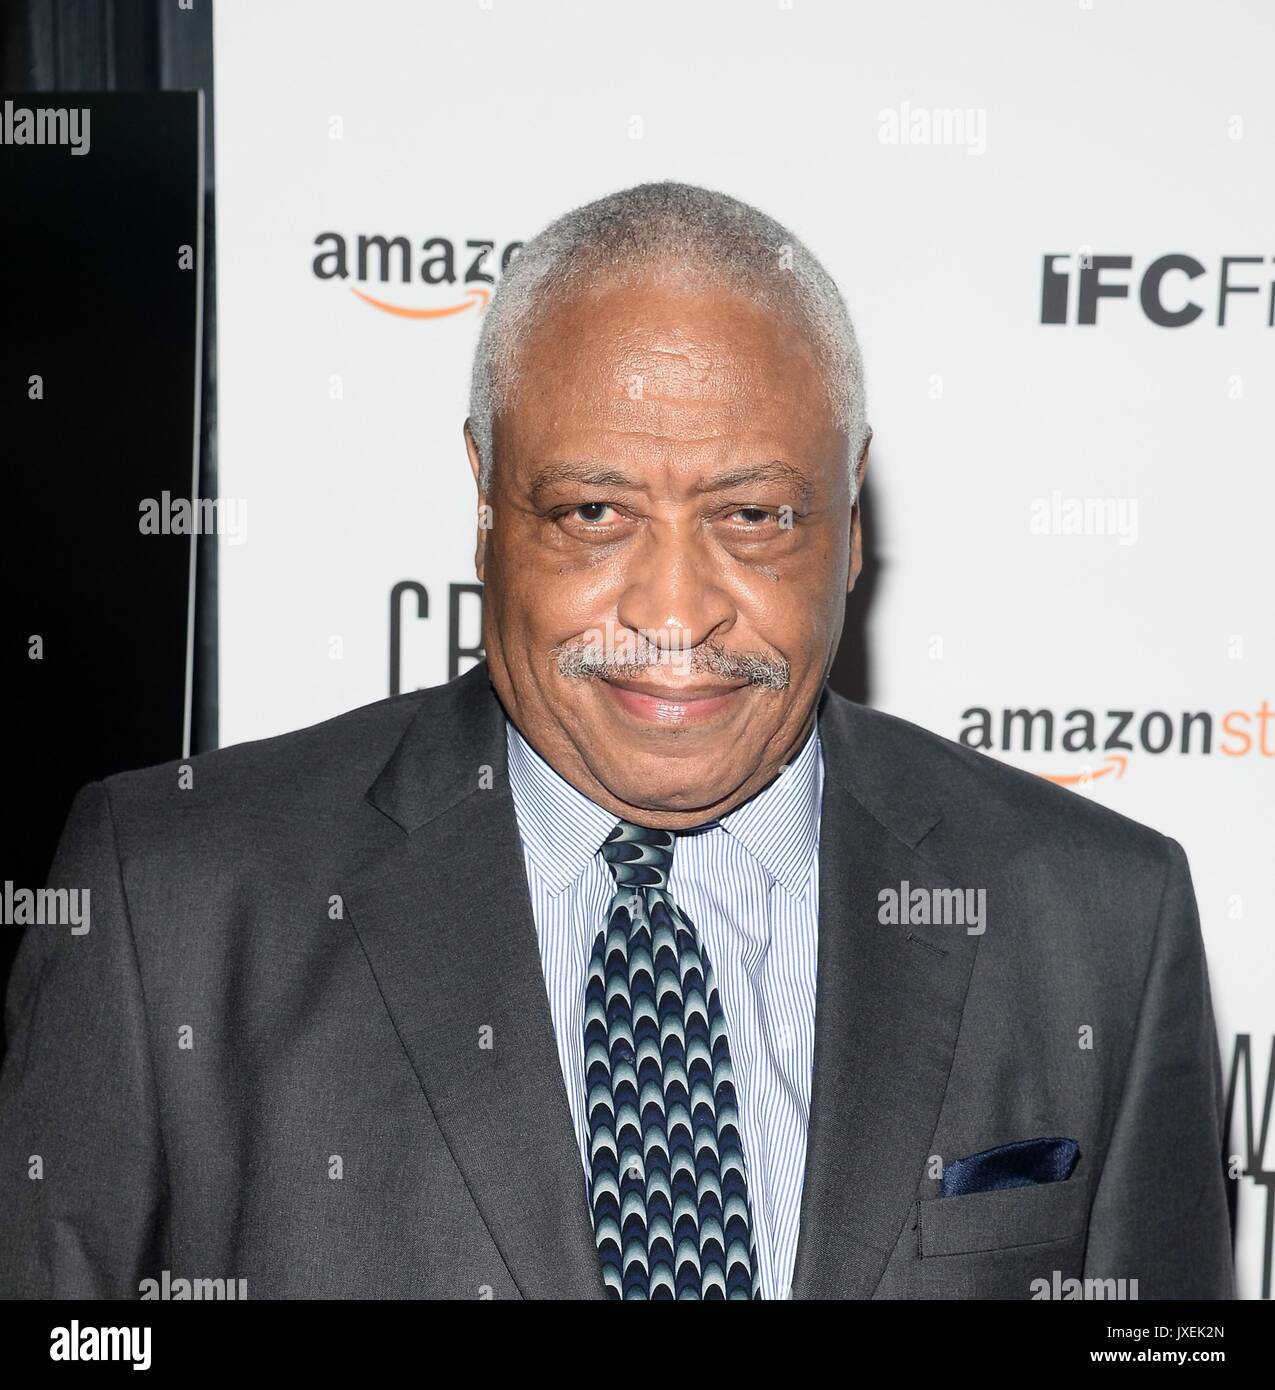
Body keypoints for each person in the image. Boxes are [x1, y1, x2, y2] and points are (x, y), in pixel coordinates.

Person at [0, 181, 1234, 1299]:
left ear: (851, 519)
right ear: (484, 501)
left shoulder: (1095, 920)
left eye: (753, 515)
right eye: (593, 513)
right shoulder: (171, 900)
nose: (674, 613)